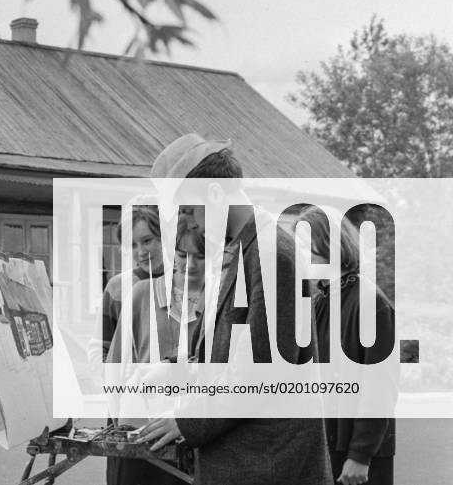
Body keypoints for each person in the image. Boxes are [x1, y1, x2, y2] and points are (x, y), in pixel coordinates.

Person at [138, 133, 333, 485]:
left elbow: (259, 373)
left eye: (189, 209)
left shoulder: (271, 252)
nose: (190, 223)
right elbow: (231, 351)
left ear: (215, 193)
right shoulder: (245, 249)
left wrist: (186, 422)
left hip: (267, 466)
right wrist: (179, 369)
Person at [296, 206, 396, 485]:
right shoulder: (322, 300)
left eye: (305, 245)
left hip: (358, 459)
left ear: (330, 244)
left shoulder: (370, 302)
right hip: (329, 446)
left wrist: (360, 455)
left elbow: (379, 387)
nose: (299, 255)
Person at [104, 214, 201, 485]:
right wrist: (120, 430)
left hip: (193, 437)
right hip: (142, 436)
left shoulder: (219, 300)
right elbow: (115, 366)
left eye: (201, 255)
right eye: (183, 254)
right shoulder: (140, 293)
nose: (191, 263)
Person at [101, 207, 165, 361]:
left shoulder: (185, 281)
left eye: (147, 241)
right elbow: (102, 346)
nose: (141, 252)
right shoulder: (117, 287)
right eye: (132, 245)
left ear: (163, 237)